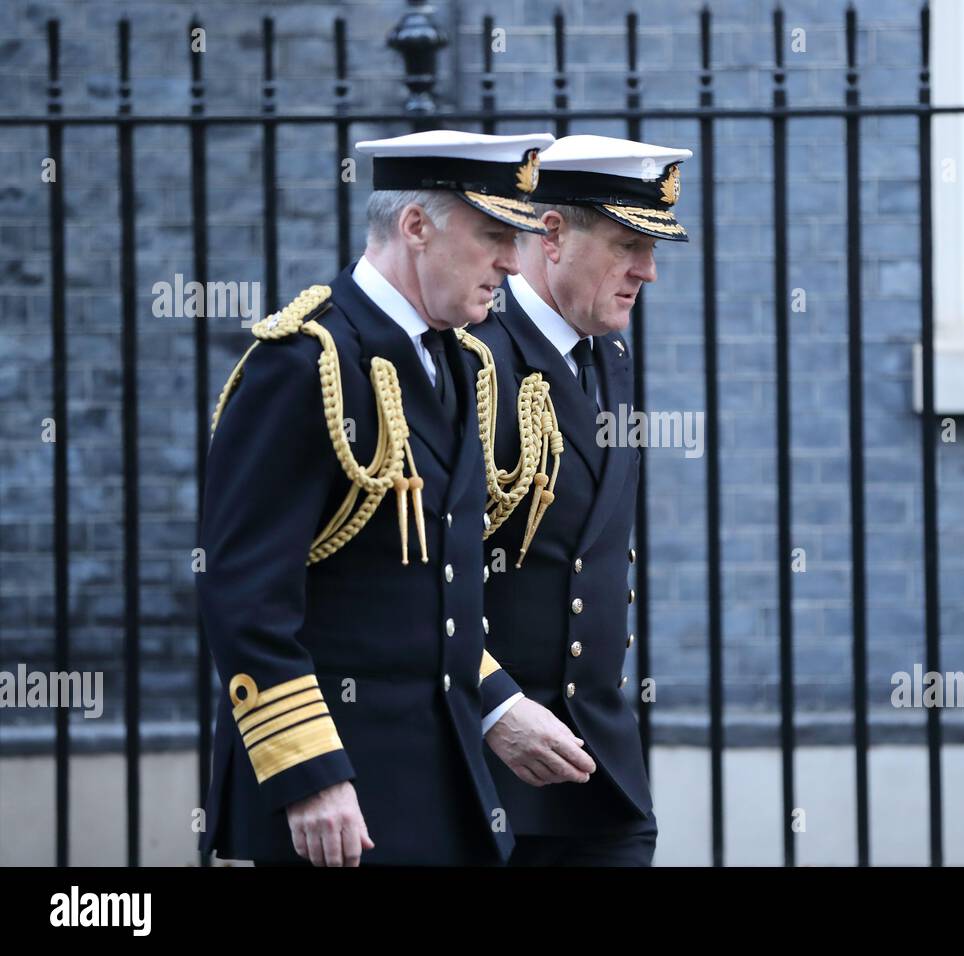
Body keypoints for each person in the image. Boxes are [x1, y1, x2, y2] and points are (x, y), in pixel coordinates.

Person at [196, 129, 554, 866]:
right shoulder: (305, 363)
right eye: (493, 235)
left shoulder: (458, 362)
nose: (512, 263)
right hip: (339, 804)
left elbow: (429, 596)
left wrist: (498, 704)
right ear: (414, 227)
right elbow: (245, 595)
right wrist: (309, 776)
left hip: (444, 784)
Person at [469, 134, 692, 866]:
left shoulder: (607, 351)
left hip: (596, 762)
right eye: (629, 243)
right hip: (490, 767)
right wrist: (494, 703)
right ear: (553, 234)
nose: (648, 271)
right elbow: (410, 574)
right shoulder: (478, 357)